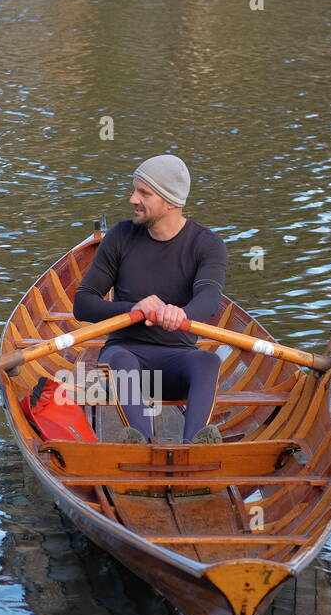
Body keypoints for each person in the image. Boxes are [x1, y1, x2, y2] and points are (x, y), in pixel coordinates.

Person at [73, 154, 228, 444]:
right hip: (126, 355)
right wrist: (133, 308)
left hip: (177, 362)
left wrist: (183, 314)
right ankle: (140, 444)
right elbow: (82, 303)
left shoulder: (207, 245)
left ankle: (195, 447)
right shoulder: (120, 237)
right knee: (119, 357)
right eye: (135, 190)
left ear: (170, 201)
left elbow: (209, 297)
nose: (133, 199)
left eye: (144, 193)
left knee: (207, 360)